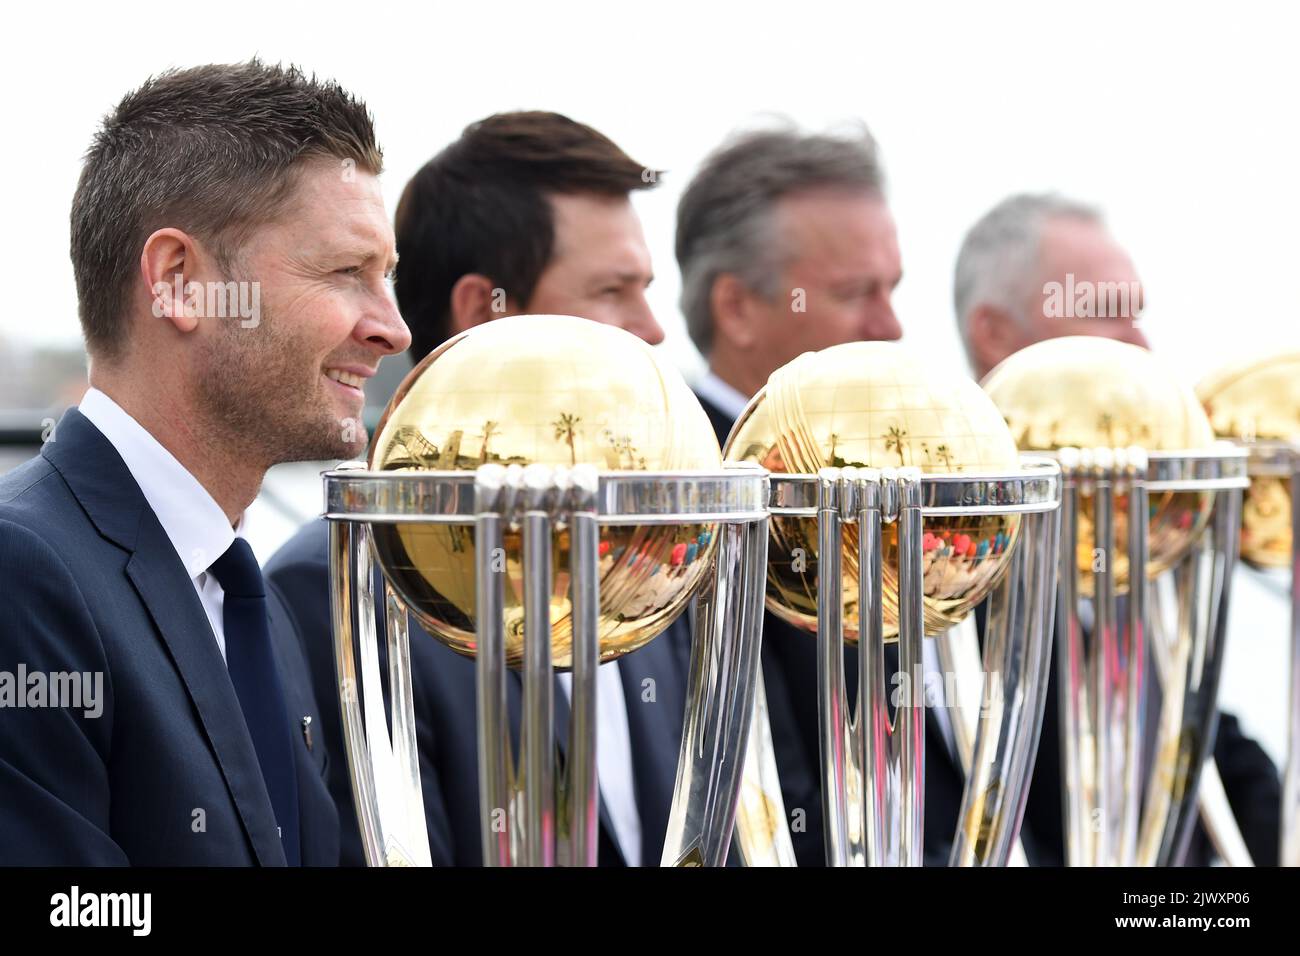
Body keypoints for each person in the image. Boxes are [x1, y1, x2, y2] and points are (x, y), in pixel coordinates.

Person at [0, 60, 410, 864]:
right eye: (344, 273)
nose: (392, 329)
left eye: (386, 278)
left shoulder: (248, 601)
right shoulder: (23, 575)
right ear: (180, 282)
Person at [267, 111, 689, 866]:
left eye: (646, 289)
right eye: (612, 290)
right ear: (483, 315)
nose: (653, 328)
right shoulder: (341, 587)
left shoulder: (652, 566)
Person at [952, 192, 1282, 865]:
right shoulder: (934, 559)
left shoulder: (1137, 520)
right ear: (994, 332)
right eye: (1106, 312)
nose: (1141, 343)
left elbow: (1194, 736)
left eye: (1136, 314)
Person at [673, 122, 969, 865]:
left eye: (892, 289)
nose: (890, 324)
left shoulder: (891, 477)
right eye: (852, 293)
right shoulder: (691, 504)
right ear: (737, 307)